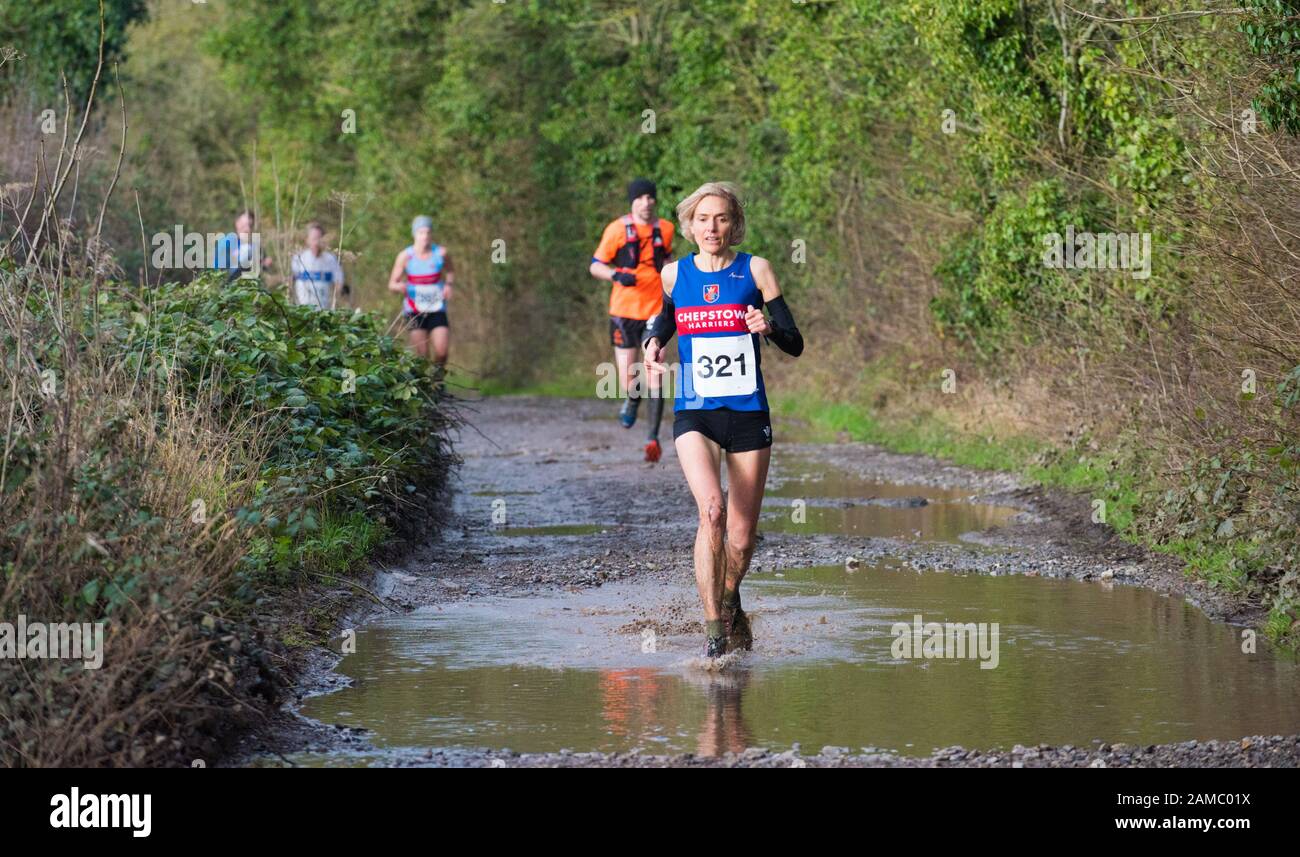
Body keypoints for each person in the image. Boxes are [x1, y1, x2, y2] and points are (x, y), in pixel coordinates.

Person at [642, 182, 804, 658]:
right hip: (695, 410)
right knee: (710, 510)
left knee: (740, 535)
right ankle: (713, 632)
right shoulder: (674, 274)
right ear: (690, 226)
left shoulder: (756, 270)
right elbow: (666, 318)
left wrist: (768, 328)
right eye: (703, 219)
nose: (712, 228)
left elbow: (795, 342)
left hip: (748, 412)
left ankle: (731, 597)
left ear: (734, 224)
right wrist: (654, 342)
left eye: (722, 219)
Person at [589, 178, 674, 462]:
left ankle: (652, 438)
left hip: (656, 312)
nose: (646, 203)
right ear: (632, 202)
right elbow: (595, 265)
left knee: (655, 369)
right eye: (640, 198)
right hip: (624, 311)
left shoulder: (667, 229)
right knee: (628, 377)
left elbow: (668, 264)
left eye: (650, 198)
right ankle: (632, 398)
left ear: (655, 201)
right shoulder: (616, 229)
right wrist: (615, 275)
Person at [388, 215, 454, 371]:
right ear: (414, 234)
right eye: (421, 232)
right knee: (422, 355)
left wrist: (449, 285)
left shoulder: (441, 253)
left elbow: (451, 271)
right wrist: (399, 287)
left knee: (442, 351)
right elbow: (391, 284)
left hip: (437, 308)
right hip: (414, 310)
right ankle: (428, 387)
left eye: (428, 232)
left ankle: (438, 381)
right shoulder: (406, 256)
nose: (425, 236)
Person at [290, 221, 347, 309]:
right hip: (302, 311)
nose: (316, 242)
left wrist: (335, 301)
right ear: (307, 240)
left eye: (319, 238)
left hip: (324, 310)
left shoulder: (331, 260)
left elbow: (339, 282)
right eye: (314, 239)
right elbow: (289, 281)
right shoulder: (298, 258)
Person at [212, 209, 271, 282]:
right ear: (237, 223)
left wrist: (265, 263)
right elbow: (217, 267)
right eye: (244, 225)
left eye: (250, 225)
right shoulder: (228, 241)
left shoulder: (254, 245)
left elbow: (263, 264)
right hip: (231, 285)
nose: (247, 229)